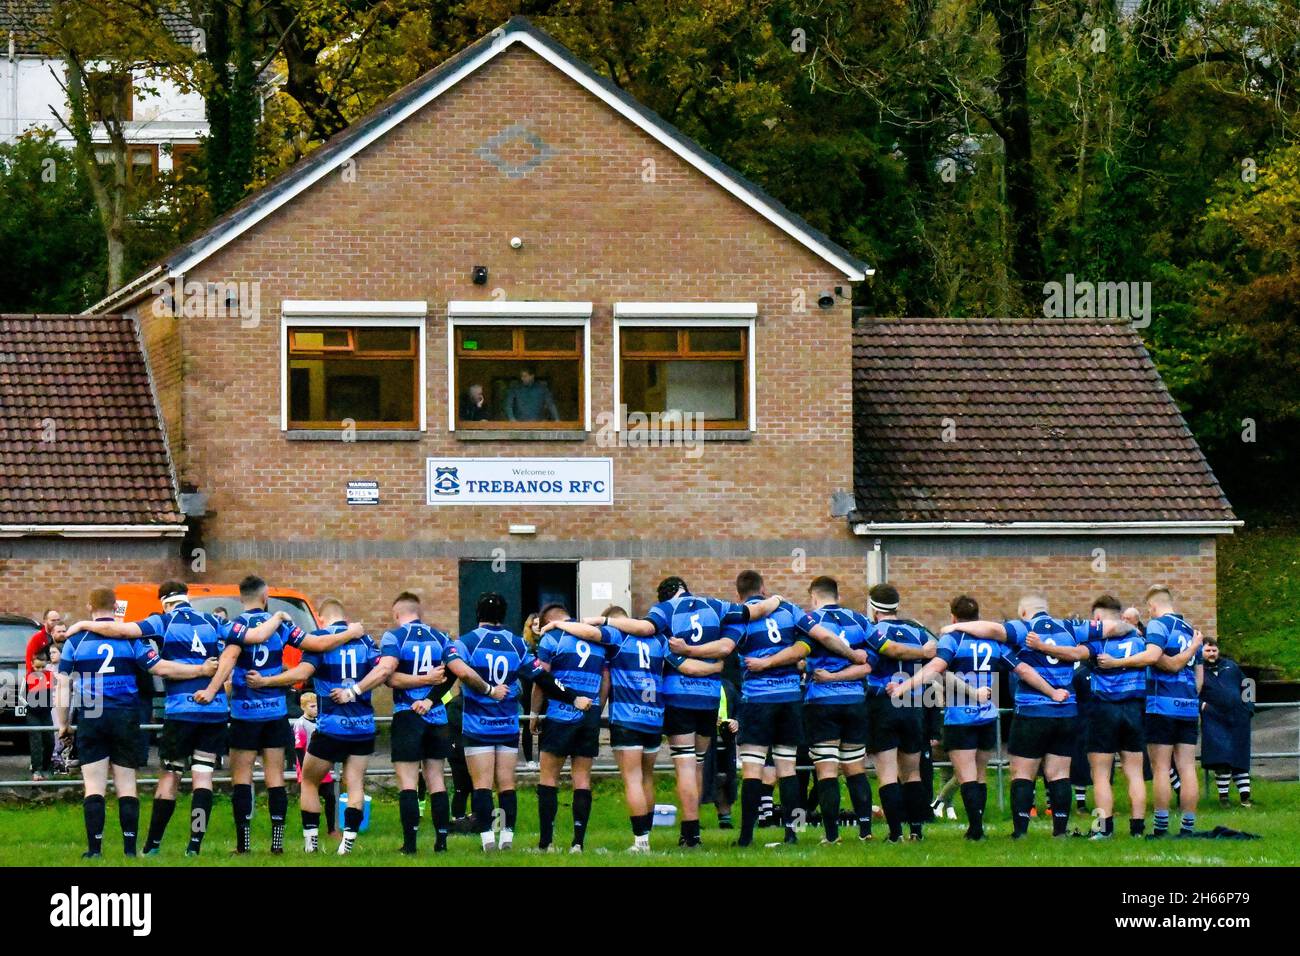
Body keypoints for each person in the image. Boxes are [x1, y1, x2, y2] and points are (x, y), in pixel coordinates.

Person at [588, 575, 781, 847]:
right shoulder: (716, 605)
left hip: (678, 697)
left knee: (685, 766)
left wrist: (604, 620)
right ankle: (694, 834)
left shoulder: (665, 610)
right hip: (709, 697)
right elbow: (754, 611)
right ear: (686, 589)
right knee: (700, 764)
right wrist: (775, 599)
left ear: (664, 597)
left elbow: (644, 628)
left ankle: (689, 834)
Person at [80, 581, 261, 857]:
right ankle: (194, 845)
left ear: (164, 601)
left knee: (170, 775)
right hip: (213, 709)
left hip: (180, 710)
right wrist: (280, 620)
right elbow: (249, 638)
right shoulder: (214, 620)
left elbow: (119, 629)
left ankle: (153, 844)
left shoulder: (163, 621)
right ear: (187, 597)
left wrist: (81, 626)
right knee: (203, 777)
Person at [941, 591, 1133, 838]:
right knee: (1059, 773)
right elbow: (1115, 627)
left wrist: (951, 627)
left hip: (1032, 709)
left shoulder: (1023, 628)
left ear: (1023, 611)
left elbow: (992, 630)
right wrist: (1129, 628)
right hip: (1066, 710)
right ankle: (1060, 831)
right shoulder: (1071, 627)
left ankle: (1020, 832)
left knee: (1022, 772)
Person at [199, 575, 361, 853]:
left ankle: (244, 845)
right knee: (276, 777)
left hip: (244, 714)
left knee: (242, 778)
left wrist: (212, 690)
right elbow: (317, 644)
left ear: (241, 599)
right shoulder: (282, 626)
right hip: (275, 712)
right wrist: (350, 632)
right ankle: (277, 845)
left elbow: (228, 659)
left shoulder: (235, 627)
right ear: (265, 599)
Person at [58, 587, 218, 858]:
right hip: (126, 713)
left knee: (94, 785)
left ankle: (95, 850)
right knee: (127, 783)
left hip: (93, 713)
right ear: (115, 606)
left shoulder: (76, 640)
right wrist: (200, 670)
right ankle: (131, 850)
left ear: (89, 606)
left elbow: (62, 685)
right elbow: (160, 668)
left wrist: (62, 724)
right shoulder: (130, 639)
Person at [709, 570, 866, 847]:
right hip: (790, 698)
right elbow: (820, 639)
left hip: (757, 699)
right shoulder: (790, 610)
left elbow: (725, 648)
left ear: (738, 593)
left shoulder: (739, 616)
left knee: (753, 769)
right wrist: (853, 656)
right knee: (788, 768)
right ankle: (791, 834)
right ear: (764, 588)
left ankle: (746, 836)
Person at [893, 594, 1063, 840]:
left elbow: (936, 669)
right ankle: (978, 823)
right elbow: (1021, 669)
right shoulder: (992, 643)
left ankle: (976, 829)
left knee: (966, 775)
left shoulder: (952, 639)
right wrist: (1052, 690)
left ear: (953, 616)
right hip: (987, 714)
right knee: (981, 772)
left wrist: (905, 686)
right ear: (978, 617)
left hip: (960, 715)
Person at [446, 592, 591, 851]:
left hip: (478, 724)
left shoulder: (467, 642)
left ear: (477, 614)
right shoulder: (517, 644)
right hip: (507, 725)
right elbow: (543, 678)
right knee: (506, 782)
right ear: (504, 616)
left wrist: (487, 689)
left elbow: (460, 673)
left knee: (481, 784)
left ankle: (487, 838)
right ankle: (507, 838)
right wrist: (573, 697)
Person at [247, 599, 389, 854]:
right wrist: (355, 690)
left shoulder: (320, 638)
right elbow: (382, 672)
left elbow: (301, 674)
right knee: (354, 783)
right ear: (344, 617)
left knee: (310, 781)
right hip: (363, 725)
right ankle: (346, 846)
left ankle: (311, 845)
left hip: (332, 727)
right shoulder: (365, 641)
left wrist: (266, 681)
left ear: (322, 618)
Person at [1021, 594, 1162, 839]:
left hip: (1104, 709)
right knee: (1135, 772)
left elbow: (1074, 654)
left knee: (1100, 773)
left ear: (1098, 617)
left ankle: (1103, 828)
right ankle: (1138, 829)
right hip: (1135, 709)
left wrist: (1044, 647)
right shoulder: (1141, 641)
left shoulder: (1099, 643)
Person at [862, 583, 939, 842]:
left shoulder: (872, 631)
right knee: (913, 773)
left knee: (886, 772)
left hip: (883, 703)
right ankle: (916, 830)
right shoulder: (916, 632)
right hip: (913, 704)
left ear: (873, 608)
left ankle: (895, 833)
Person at [379, 591, 454, 854]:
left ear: (397, 614)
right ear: (419, 613)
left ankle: (410, 845)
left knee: (408, 781)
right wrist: (433, 696)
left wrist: (420, 682)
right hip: (437, 716)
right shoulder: (441, 637)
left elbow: (390, 679)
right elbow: (453, 672)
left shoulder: (394, 636)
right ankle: (441, 842)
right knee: (436, 779)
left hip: (407, 712)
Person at [532, 602, 608, 852]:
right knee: (582, 778)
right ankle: (578, 843)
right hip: (590, 713)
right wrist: (596, 708)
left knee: (548, 777)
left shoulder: (552, 637)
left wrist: (534, 713)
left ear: (547, 621)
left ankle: (546, 843)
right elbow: (605, 680)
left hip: (560, 714)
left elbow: (541, 678)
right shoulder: (595, 636)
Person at [1143, 584, 1204, 837]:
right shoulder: (1192, 631)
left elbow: (1163, 662)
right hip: (1189, 706)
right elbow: (1200, 678)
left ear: (1152, 606)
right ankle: (1188, 827)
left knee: (1161, 767)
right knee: (1188, 767)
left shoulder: (1158, 626)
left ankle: (1160, 827)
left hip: (1161, 705)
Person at [1199, 635, 1254, 808]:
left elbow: (1248, 683)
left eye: (1214, 650)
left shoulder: (1231, 666)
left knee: (1239, 757)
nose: (1212, 653)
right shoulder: (1197, 670)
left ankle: (1245, 798)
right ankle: (1224, 798)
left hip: (1238, 718)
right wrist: (1202, 706)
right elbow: (1190, 692)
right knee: (1220, 758)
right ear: (1201, 652)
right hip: (1214, 719)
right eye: (1208, 650)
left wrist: (1249, 707)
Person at [292, 693, 337, 838]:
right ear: (303, 707)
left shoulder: (321, 721)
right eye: (312, 706)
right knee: (311, 796)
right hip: (307, 766)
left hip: (322, 765)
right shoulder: (300, 724)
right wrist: (305, 768)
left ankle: (332, 829)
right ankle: (311, 829)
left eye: (317, 705)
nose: (316, 709)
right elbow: (299, 748)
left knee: (330, 796)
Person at [24, 646, 54, 780]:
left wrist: (52, 704)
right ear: (32, 665)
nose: (40, 671)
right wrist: (29, 706)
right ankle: (36, 770)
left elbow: (54, 693)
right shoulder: (28, 677)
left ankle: (46, 767)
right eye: (37, 668)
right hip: (33, 713)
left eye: (42, 667)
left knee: (50, 741)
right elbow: (20, 695)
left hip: (46, 713)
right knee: (36, 740)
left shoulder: (49, 676)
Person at [25, 608, 63, 677]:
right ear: (45, 621)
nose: (56, 623)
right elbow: (30, 661)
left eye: (58, 620)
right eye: (53, 620)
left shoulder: (63, 637)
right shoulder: (38, 638)